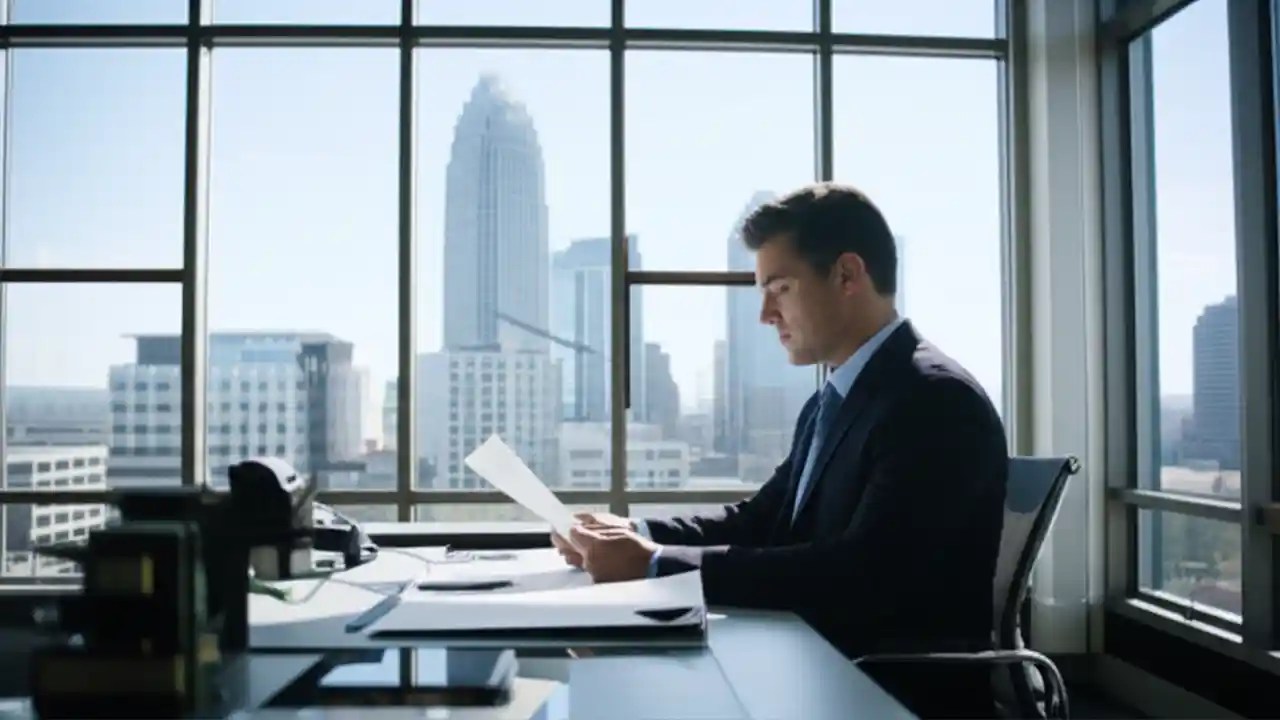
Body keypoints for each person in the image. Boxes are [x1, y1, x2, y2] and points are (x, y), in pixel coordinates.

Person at [552, 182, 1008, 717]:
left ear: (846, 275)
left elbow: (864, 576)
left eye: (781, 288)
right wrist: (636, 534)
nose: (766, 314)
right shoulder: (832, 401)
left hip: (883, 691)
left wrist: (655, 566)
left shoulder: (932, 400)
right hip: (813, 665)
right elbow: (760, 521)